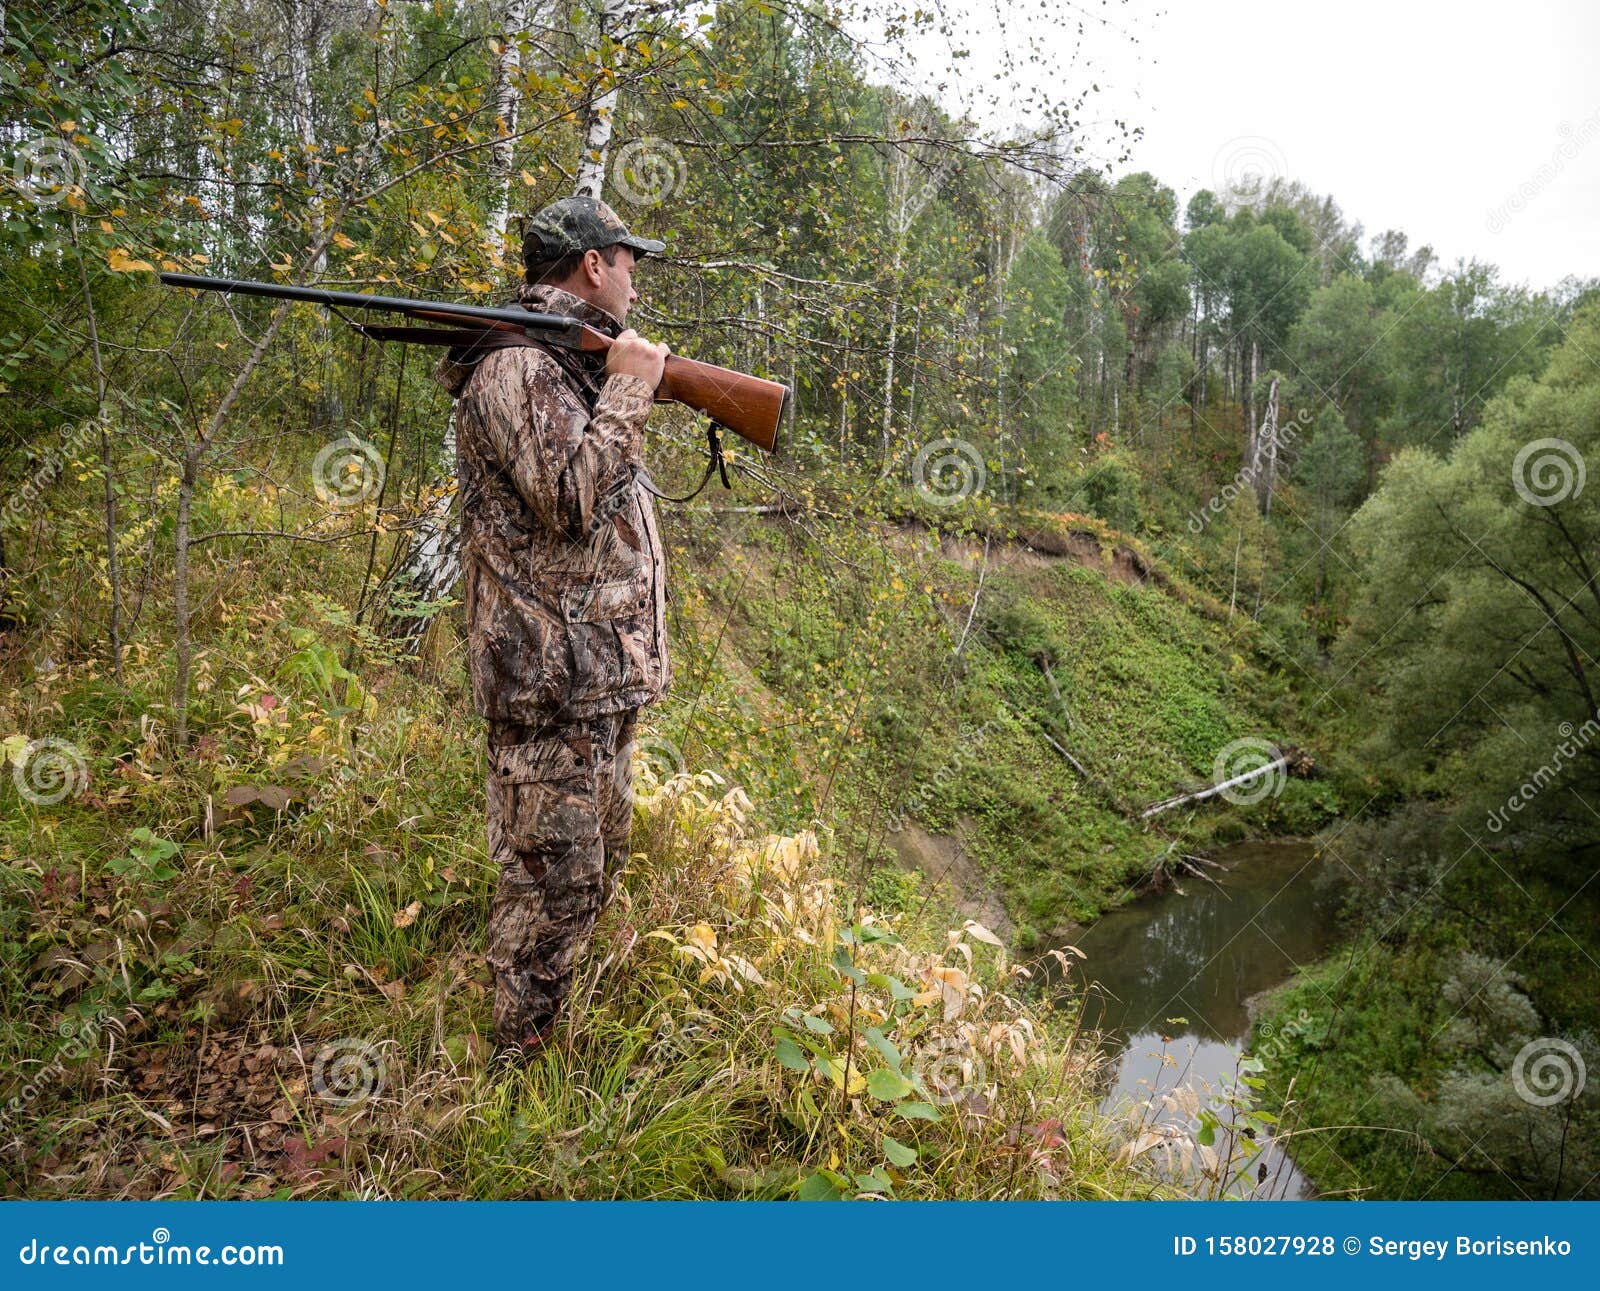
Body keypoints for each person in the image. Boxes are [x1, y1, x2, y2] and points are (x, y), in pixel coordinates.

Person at [431, 195, 673, 1060]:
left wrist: (619, 385)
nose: (636, 275)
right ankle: (516, 1090)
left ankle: (545, 1062)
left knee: (585, 880)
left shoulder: (571, 365)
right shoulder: (515, 367)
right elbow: (569, 497)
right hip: (548, 685)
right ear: (593, 264)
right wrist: (632, 391)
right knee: (546, 897)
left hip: (593, 678)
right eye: (627, 258)